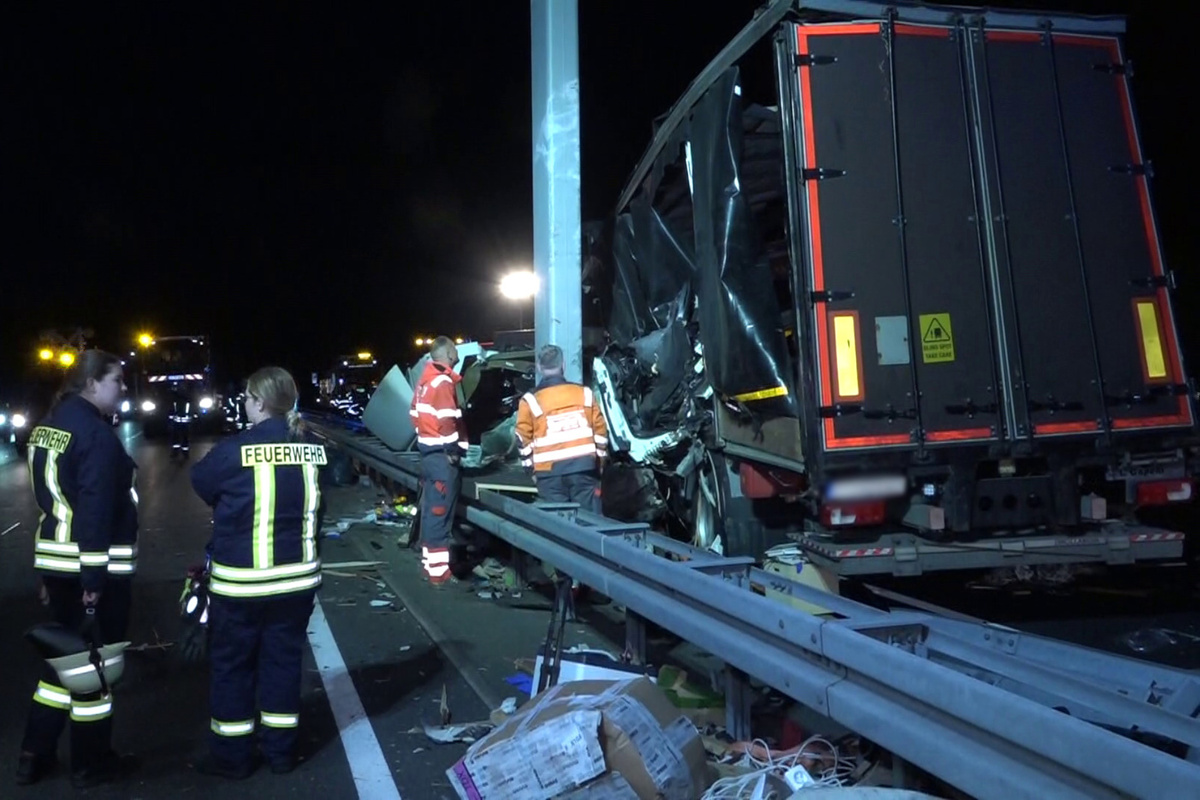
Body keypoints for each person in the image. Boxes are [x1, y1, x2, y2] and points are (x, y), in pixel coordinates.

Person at [189, 366, 325, 779]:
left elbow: (201, 482)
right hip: (297, 582)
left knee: (233, 668)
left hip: (241, 585)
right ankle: (281, 753)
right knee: (283, 664)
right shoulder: (312, 448)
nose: (244, 404)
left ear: (260, 402)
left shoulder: (234, 450)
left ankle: (234, 758)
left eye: (247, 398)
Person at [17, 349, 139, 789]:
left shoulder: (48, 427)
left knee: (62, 664)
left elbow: (55, 503)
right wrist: (93, 580)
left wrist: (49, 576)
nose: (122, 388)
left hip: (57, 562)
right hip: (92, 569)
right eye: (116, 380)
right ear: (91, 383)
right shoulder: (95, 435)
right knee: (95, 670)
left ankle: (34, 754)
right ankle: (91, 763)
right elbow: (94, 511)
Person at [516, 344, 608, 513]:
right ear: (563, 365)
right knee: (592, 523)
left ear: (539, 367)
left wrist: (531, 471)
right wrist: (599, 463)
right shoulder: (585, 393)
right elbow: (600, 433)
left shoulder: (529, 400)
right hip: (583, 470)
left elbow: (522, 439)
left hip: (549, 476)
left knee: (558, 524)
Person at [410, 336, 468, 584]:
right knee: (440, 512)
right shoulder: (443, 382)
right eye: (454, 349)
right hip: (442, 458)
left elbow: (414, 413)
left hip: (429, 454)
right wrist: (453, 450)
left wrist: (426, 435)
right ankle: (438, 573)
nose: (457, 353)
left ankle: (429, 564)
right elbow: (447, 420)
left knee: (431, 510)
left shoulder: (425, 381)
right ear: (448, 354)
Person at [168, 383, 192, 457]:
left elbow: (172, 411)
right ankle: (185, 453)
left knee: (176, 438)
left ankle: (176, 452)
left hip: (177, 422)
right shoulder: (188, 401)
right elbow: (191, 411)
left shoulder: (175, 400)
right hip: (185, 423)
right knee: (185, 438)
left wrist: (170, 418)